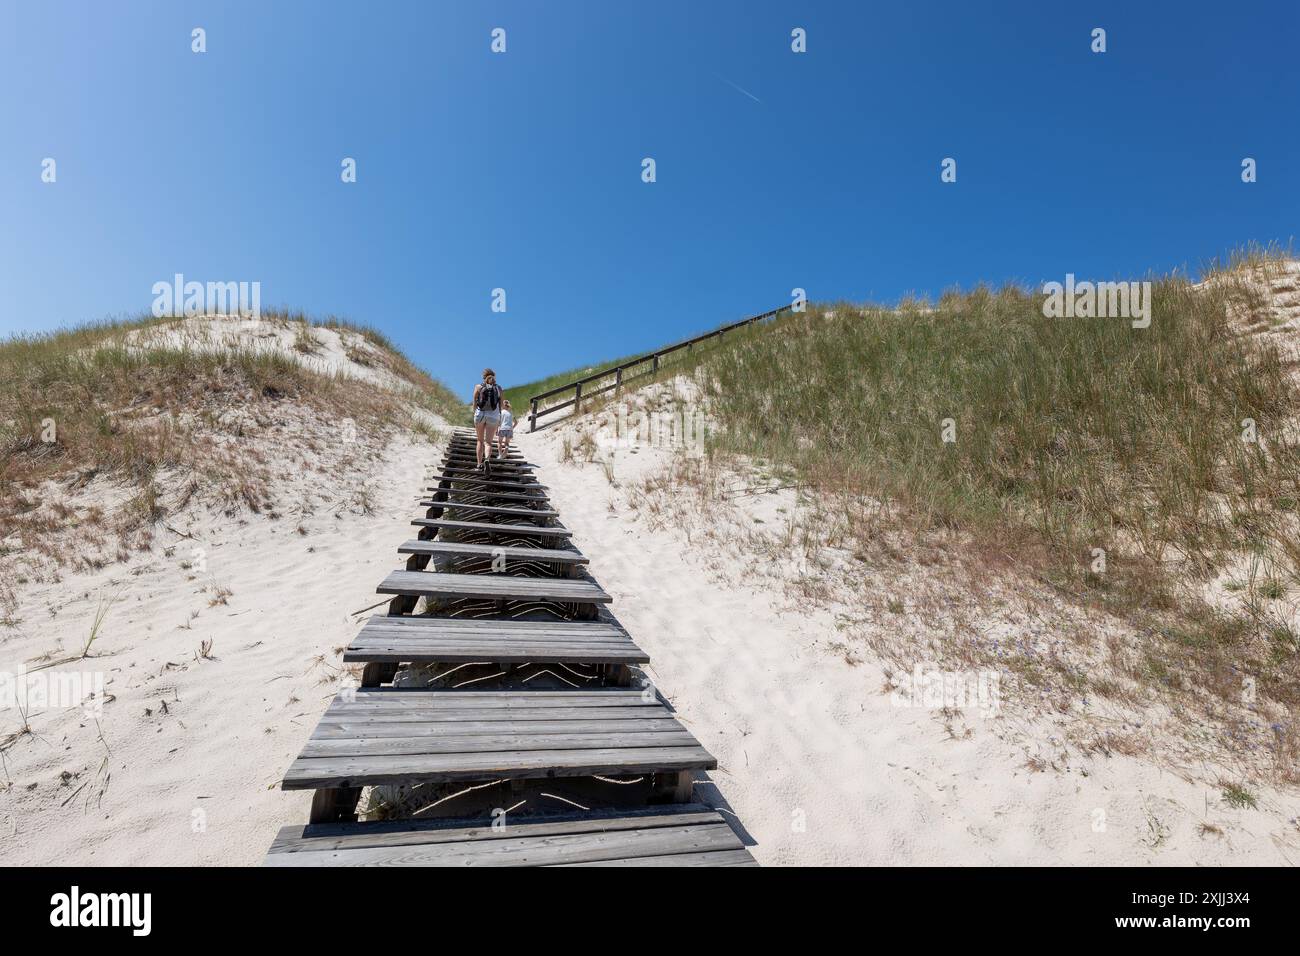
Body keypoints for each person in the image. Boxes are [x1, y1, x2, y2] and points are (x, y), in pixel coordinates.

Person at [472, 369, 502, 470]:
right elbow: (501, 405)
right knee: (488, 442)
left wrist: (474, 414)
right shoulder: (498, 388)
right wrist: (500, 419)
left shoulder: (478, 387)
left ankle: (479, 464)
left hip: (480, 415)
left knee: (480, 440)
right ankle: (487, 460)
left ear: (484, 377)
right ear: (494, 377)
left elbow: (474, 403)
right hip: (493, 416)